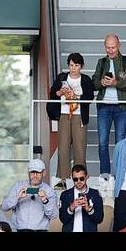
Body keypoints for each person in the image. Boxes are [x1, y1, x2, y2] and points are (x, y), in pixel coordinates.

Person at [46, 53, 94, 185]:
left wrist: (76, 97)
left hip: (79, 115)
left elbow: (90, 97)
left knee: (79, 148)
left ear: (82, 66)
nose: (73, 68)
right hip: (64, 113)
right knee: (63, 147)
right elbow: (53, 94)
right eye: (71, 65)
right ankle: (62, 180)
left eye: (76, 65)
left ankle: (80, 180)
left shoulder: (85, 79)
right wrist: (61, 92)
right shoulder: (62, 77)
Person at [91, 35, 126, 181]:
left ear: (119, 45)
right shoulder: (101, 62)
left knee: (120, 143)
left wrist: (116, 82)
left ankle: (119, 174)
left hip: (121, 107)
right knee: (102, 142)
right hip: (104, 106)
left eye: (113, 47)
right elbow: (94, 82)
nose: (110, 50)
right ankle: (105, 175)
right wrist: (101, 83)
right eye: (108, 47)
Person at [1, 158, 58, 231]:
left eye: (38, 172)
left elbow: (53, 215)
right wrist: (17, 197)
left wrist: (45, 200)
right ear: (28, 173)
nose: (34, 175)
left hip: (40, 230)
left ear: (44, 173)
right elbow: (4, 207)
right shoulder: (18, 186)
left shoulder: (49, 191)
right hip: (19, 230)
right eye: (32, 172)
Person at [59, 164, 104, 232]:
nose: (79, 181)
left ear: (87, 177)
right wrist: (71, 207)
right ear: (72, 178)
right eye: (75, 179)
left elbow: (99, 219)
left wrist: (88, 209)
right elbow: (63, 219)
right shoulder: (65, 195)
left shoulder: (95, 194)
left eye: (82, 178)